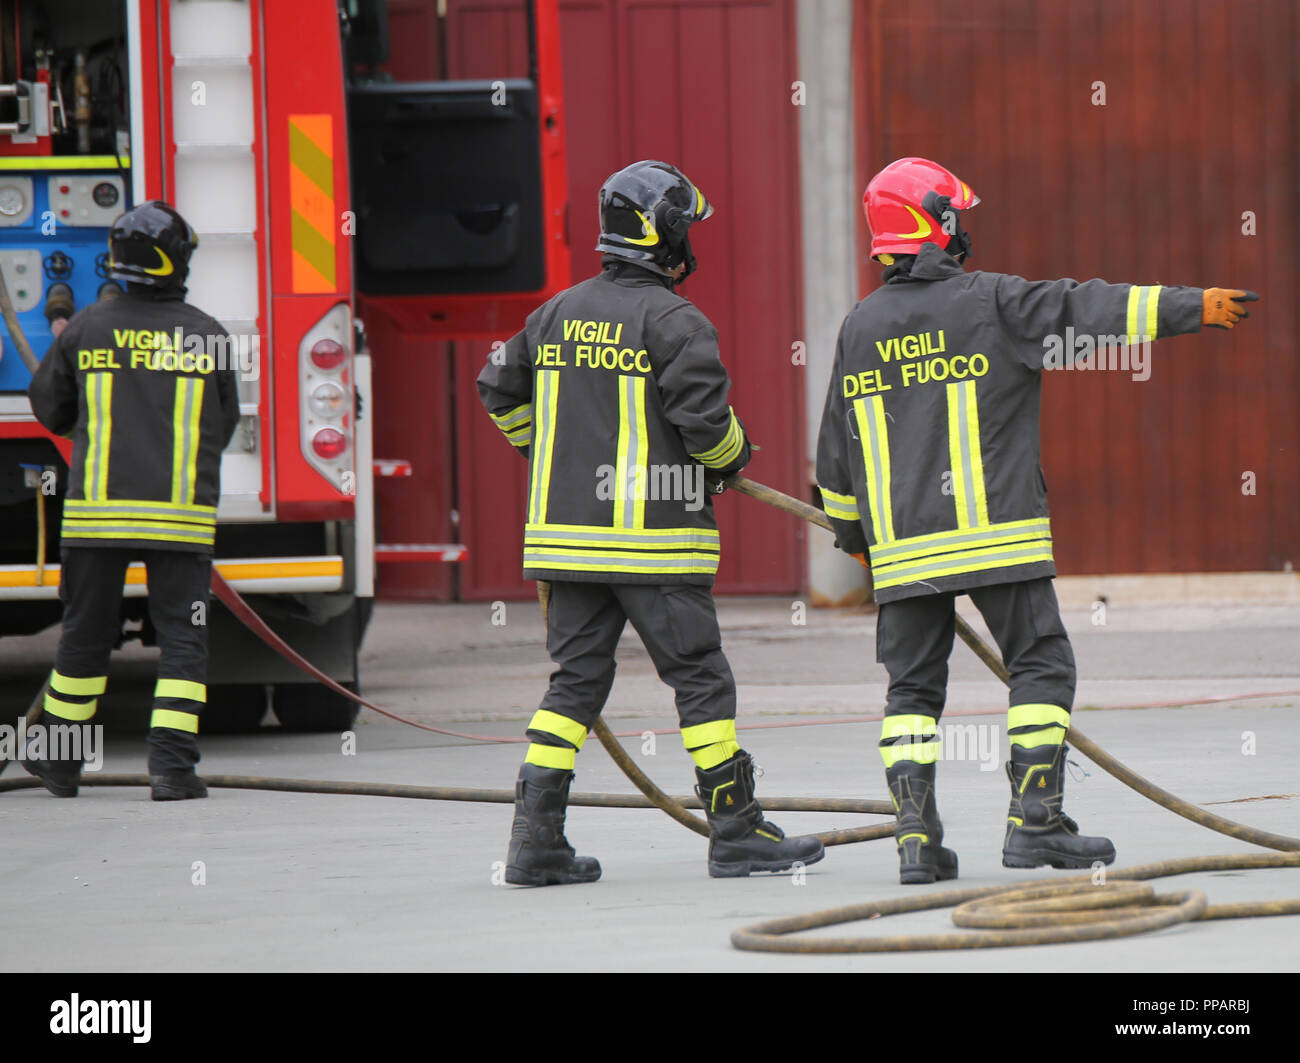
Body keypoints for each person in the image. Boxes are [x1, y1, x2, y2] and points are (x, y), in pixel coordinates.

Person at [815, 157, 1258, 884]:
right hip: (996, 541)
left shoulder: (858, 327)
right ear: (937, 224)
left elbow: (836, 456)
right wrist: (1193, 307)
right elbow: (1090, 311)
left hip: (904, 558)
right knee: (1042, 664)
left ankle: (915, 840)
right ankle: (1035, 820)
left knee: (911, 694)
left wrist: (861, 544)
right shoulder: (993, 302)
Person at [478, 160, 824, 884]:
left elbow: (498, 388)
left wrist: (551, 451)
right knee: (700, 679)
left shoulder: (557, 311)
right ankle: (735, 828)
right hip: (657, 544)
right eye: (684, 224)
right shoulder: (674, 319)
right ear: (664, 231)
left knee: (573, 683)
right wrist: (730, 461)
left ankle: (533, 840)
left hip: (568, 545)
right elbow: (708, 430)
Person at [26, 200, 240, 801]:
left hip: (95, 521)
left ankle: (60, 765)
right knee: (183, 642)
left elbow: (51, 410)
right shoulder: (208, 336)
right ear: (174, 262)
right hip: (180, 523)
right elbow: (221, 428)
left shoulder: (87, 329)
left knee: (83, 642)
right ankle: (172, 771)